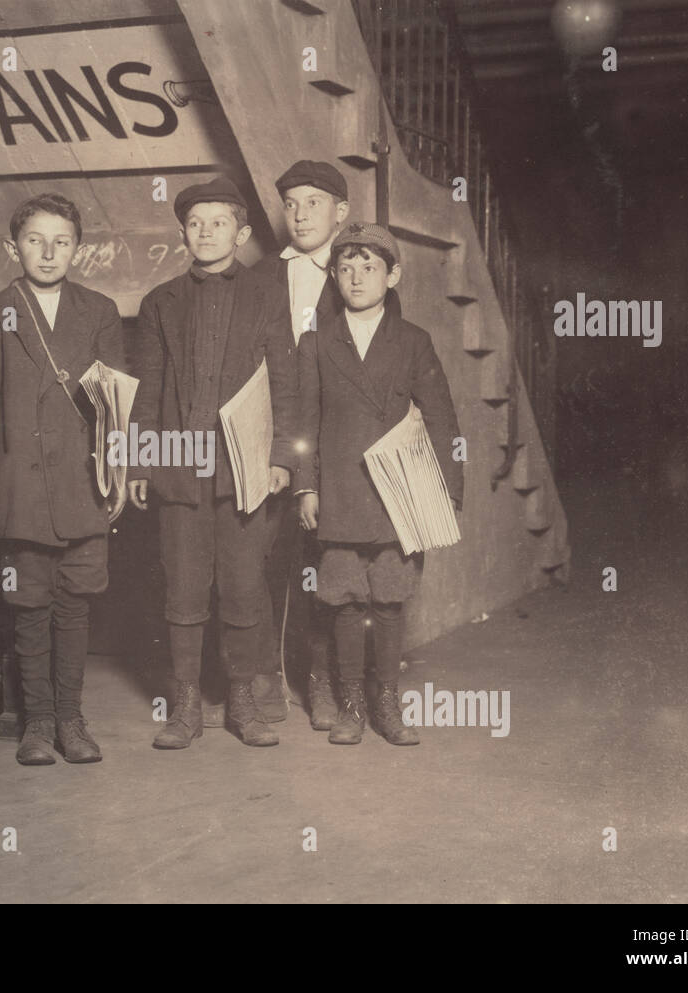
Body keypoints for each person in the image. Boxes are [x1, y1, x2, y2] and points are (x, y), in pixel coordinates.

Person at [128, 176, 297, 748]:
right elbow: (146, 390)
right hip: (180, 467)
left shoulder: (269, 296)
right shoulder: (159, 302)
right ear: (183, 233)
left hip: (246, 468)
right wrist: (140, 464)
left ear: (242, 232)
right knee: (183, 589)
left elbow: (288, 383)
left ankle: (243, 703)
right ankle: (185, 707)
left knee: (245, 586)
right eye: (195, 224)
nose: (206, 232)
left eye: (218, 222)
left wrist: (281, 459)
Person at [0, 193, 125, 765]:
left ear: (78, 249)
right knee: (27, 607)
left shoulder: (100, 310)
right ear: (13, 247)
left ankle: (72, 721)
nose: (49, 252)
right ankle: (37, 723)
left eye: (62, 241)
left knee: (75, 607)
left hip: (84, 484)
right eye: (35, 240)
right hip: (20, 489)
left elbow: (116, 405)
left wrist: (120, 469)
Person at [296, 223, 463, 745]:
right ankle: (350, 705)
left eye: (369, 267)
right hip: (341, 494)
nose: (356, 277)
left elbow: (441, 420)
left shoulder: (414, 342)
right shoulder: (316, 341)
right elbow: (303, 424)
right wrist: (305, 485)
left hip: (399, 495)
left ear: (392, 275)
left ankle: (386, 700)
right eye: (345, 267)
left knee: (389, 599)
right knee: (344, 600)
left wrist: (446, 492)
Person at [252, 160, 351, 730]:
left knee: (322, 567)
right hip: (269, 443)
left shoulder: (359, 272)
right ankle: (263, 683)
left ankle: (321, 684)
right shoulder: (260, 276)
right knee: (262, 563)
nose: (301, 213)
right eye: (291, 203)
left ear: (341, 212)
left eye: (314, 202)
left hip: (331, 445)